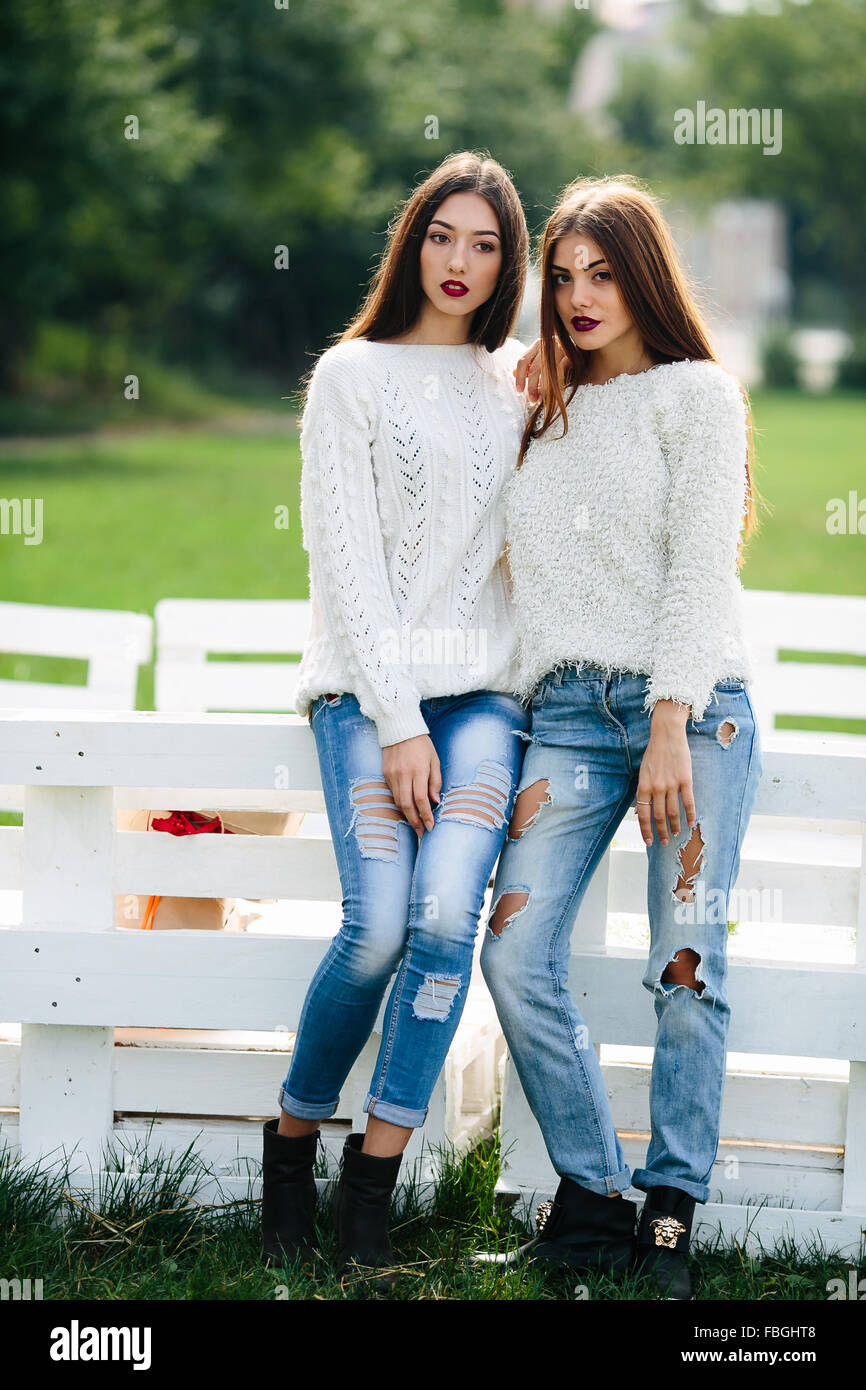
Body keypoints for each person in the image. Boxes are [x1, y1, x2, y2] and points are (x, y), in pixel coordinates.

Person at [476, 174, 765, 1300]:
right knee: (511, 948)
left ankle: (669, 1213)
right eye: (561, 276)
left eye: (602, 272)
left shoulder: (697, 396)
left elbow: (700, 568)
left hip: (689, 714)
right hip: (561, 715)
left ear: (642, 277)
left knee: (682, 967)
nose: (579, 294)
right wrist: (524, 387)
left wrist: (666, 726)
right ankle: (592, 1195)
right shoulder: (538, 402)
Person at [261, 151, 533, 1281]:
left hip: (488, 698)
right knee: (374, 927)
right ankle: (289, 1144)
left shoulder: (521, 379)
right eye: (441, 236)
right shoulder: (350, 376)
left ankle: (370, 1185)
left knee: (440, 922)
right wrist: (397, 716)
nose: (459, 262)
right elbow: (347, 563)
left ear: (505, 261)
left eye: (484, 244)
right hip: (372, 695)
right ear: (410, 241)